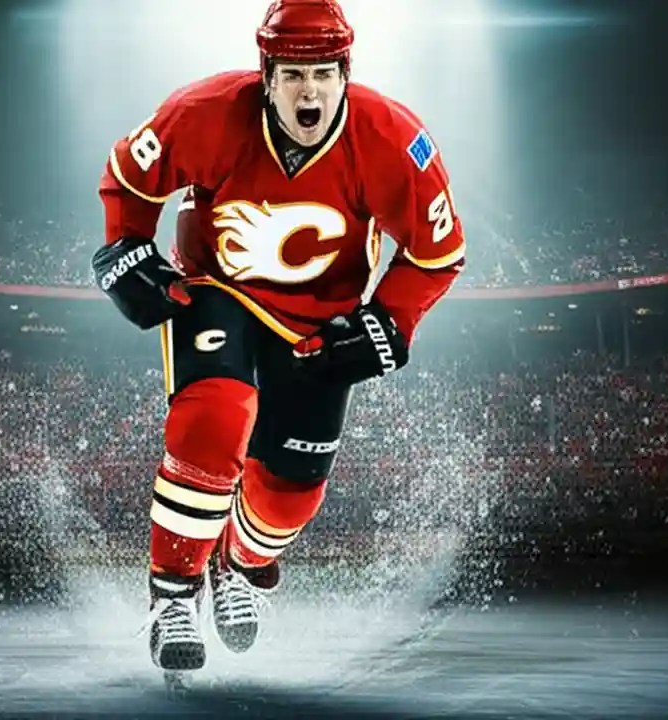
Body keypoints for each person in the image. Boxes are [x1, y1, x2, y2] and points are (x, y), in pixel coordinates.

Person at [92, 0, 466, 673]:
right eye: (293, 75)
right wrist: (125, 245)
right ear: (265, 75)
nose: (309, 91)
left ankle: (240, 564)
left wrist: (391, 318)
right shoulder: (204, 111)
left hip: (322, 316)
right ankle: (173, 592)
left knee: (292, 487)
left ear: (345, 74)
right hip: (218, 289)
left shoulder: (394, 139)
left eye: (323, 73)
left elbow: (438, 252)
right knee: (216, 416)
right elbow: (129, 176)